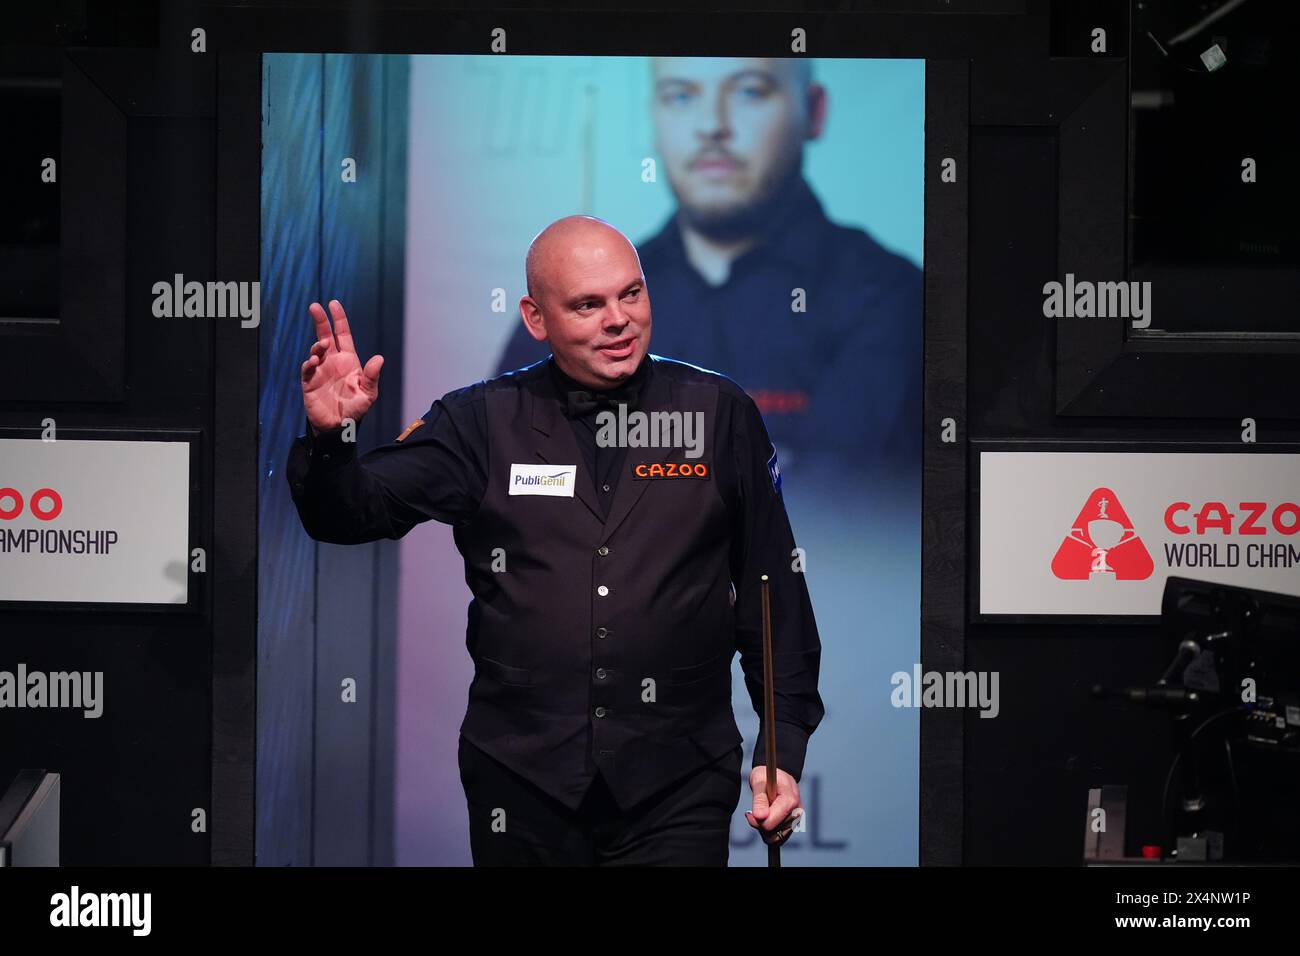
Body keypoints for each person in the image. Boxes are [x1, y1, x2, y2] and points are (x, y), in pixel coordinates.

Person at [285, 215, 824, 866]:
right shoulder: (479, 420)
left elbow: (773, 591)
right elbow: (344, 515)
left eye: (631, 293)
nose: (619, 319)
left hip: (677, 779)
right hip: (521, 781)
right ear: (536, 318)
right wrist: (331, 441)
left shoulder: (717, 413)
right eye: (588, 305)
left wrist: (781, 752)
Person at [494, 56, 922, 476]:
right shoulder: (569, 292)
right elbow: (511, 481)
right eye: (680, 96)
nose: (712, 125)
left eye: (750, 91)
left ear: (813, 110)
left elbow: (852, 510)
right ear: (654, 117)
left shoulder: (891, 300)